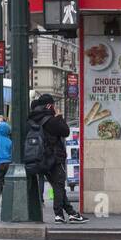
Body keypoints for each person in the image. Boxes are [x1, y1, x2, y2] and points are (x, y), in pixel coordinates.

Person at [24, 94, 84, 222]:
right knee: (59, 186)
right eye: (54, 105)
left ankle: (71, 212)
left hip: (40, 157)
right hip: (55, 157)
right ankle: (59, 214)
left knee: (58, 186)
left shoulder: (32, 119)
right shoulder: (50, 120)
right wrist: (59, 117)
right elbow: (65, 131)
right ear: (49, 105)